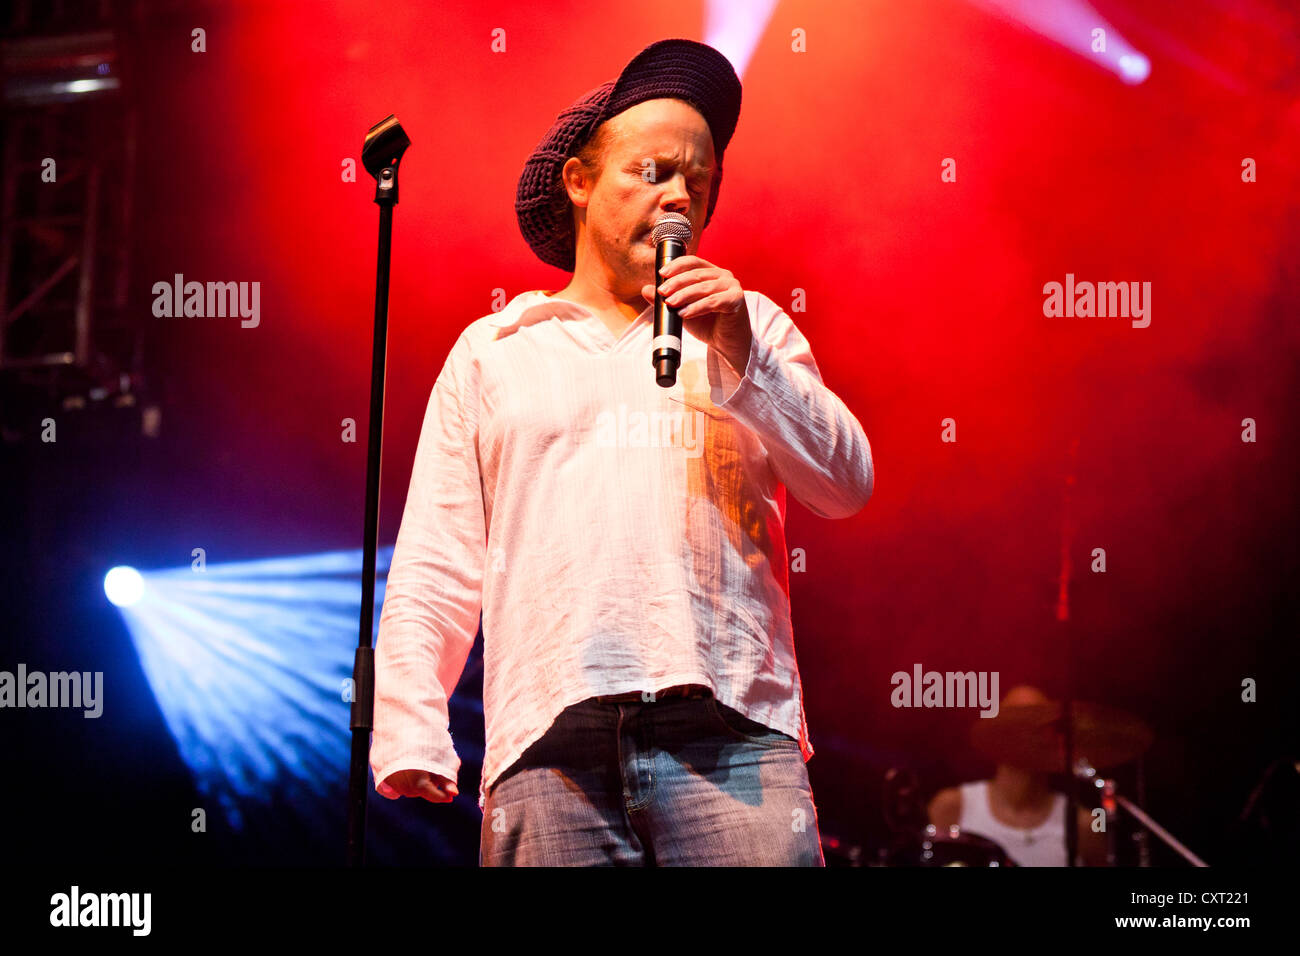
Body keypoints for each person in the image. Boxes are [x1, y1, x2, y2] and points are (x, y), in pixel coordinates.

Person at [369, 38, 874, 865]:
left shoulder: (752, 329)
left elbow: (847, 484)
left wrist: (747, 353)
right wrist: (409, 725)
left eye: (699, 182)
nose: (680, 197)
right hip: (547, 744)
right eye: (654, 173)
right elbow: (436, 562)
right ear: (579, 180)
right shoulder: (497, 349)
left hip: (733, 737)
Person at [926, 685, 1109, 866]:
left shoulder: (1084, 825)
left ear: (1055, 740)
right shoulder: (953, 808)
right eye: (1017, 723)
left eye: (1040, 725)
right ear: (996, 733)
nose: (1028, 735)